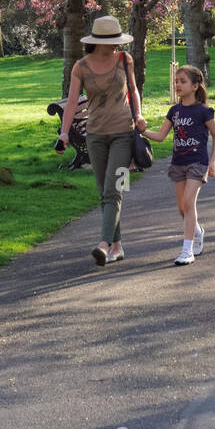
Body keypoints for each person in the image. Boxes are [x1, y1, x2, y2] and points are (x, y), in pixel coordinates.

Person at [56, 15, 146, 266]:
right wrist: (64, 133)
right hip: (95, 135)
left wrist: (138, 114)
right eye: (112, 40)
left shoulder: (124, 59)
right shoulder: (81, 66)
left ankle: (103, 245)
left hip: (124, 133)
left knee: (114, 189)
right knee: (104, 191)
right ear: (97, 41)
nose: (117, 44)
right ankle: (117, 246)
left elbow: (133, 89)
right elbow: (72, 102)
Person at [144, 65, 215, 265]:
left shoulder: (204, 111)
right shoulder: (174, 111)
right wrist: (142, 130)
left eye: (182, 81)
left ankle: (187, 250)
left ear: (195, 86)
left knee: (188, 203)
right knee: (181, 207)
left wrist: (212, 162)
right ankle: (197, 230)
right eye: (176, 81)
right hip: (178, 163)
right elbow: (160, 136)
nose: (177, 85)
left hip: (198, 162)